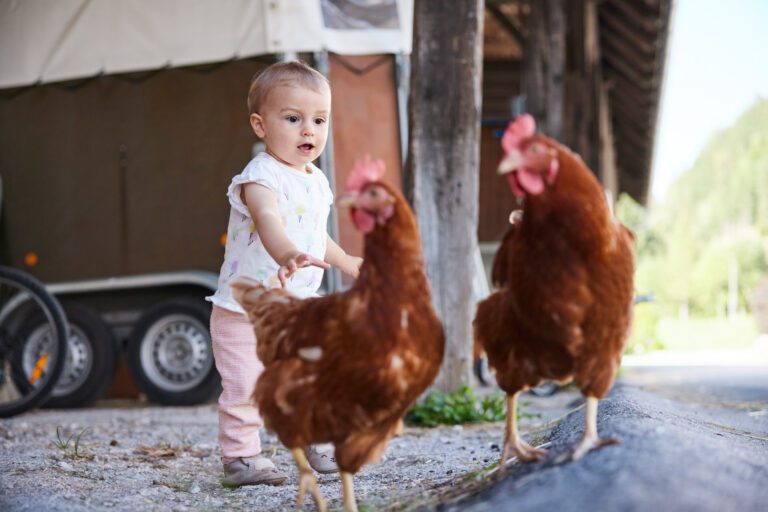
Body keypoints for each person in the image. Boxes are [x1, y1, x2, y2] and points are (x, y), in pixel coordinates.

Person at [207, 60, 363, 487]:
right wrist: (288, 254)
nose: (308, 130)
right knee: (246, 386)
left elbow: (314, 234)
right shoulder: (260, 177)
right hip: (245, 310)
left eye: (319, 120)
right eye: (293, 119)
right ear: (260, 125)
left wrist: (345, 259)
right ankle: (242, 458)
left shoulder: (316, 180)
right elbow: (270, 221)